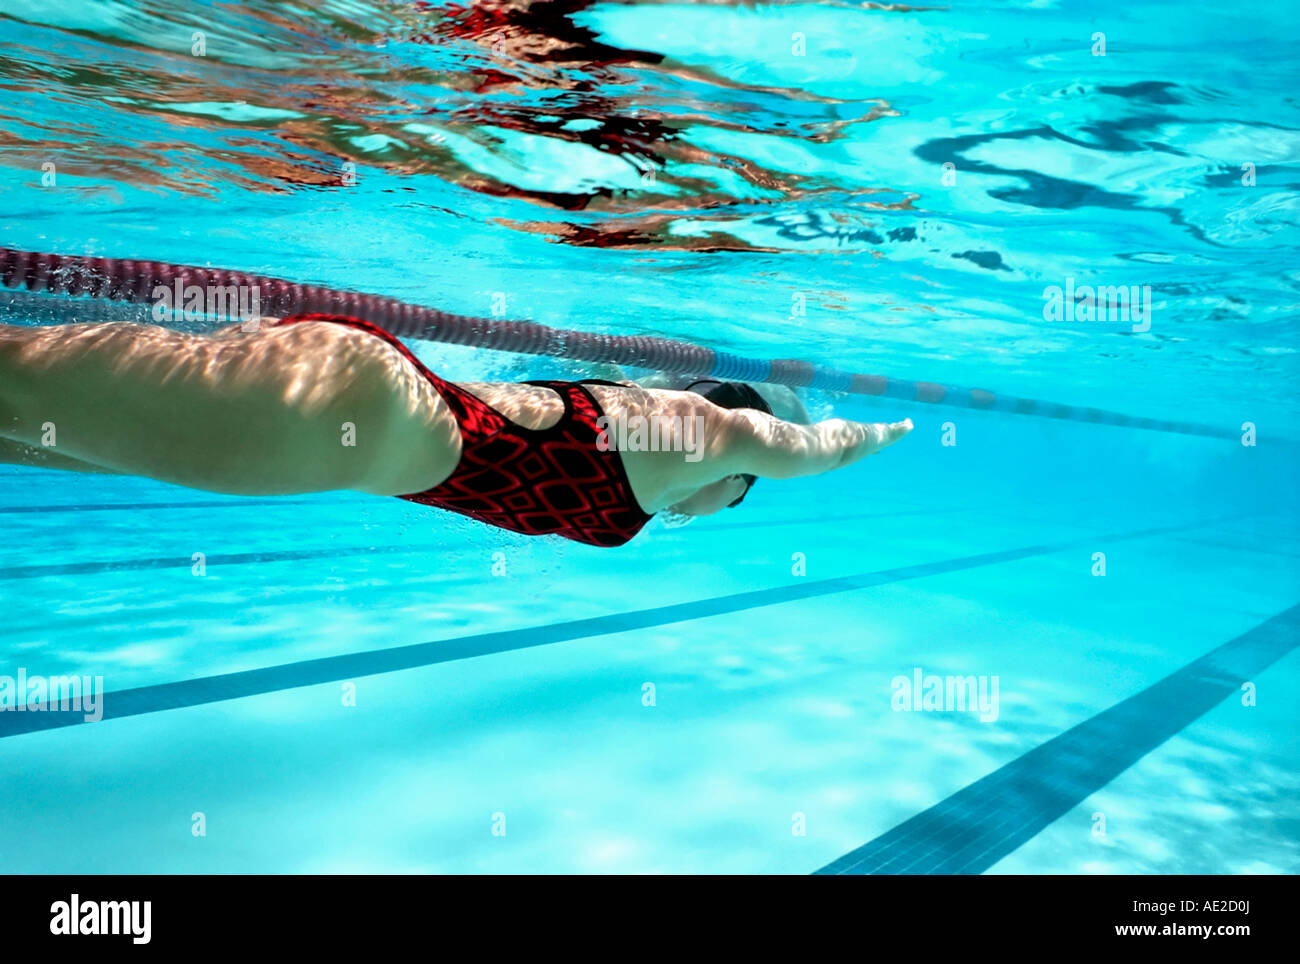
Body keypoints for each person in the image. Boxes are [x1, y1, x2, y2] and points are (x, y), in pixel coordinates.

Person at [0, 313, 912, 547]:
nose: (731, 502)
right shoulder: (699, 434)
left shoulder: (650, 423)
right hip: (338, 417)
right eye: (746, 496)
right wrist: (882, 437)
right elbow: (811, 451)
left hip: (348, 403)